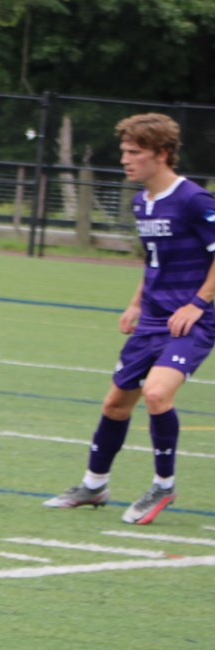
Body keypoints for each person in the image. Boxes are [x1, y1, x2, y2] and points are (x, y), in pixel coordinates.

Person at [45, 113, 214, 526]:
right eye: (124, 151)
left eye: (134, 152)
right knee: (116, 404)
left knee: (157, 394)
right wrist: (136, 302)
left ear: (161, 154)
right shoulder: (141, 201)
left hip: (193, 318)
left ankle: (163, 484)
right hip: (153, 317)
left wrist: (198, 303)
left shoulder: (195, 200)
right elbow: (154, 258)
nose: (124, 159)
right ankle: (94, 484)